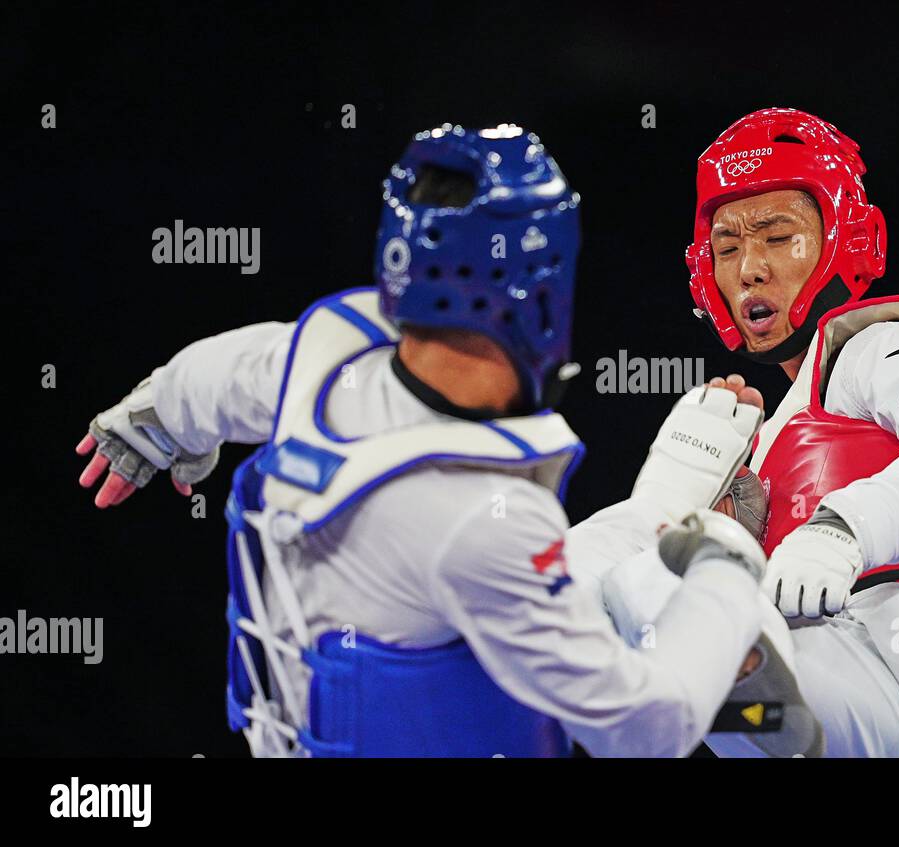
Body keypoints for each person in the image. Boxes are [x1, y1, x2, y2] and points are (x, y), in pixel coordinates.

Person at [73, 122, 791, 758]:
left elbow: (204, 380)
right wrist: (728, 566)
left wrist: (144, 426)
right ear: (540, 289)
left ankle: (664, 509)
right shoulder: (477, 520)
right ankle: (692, 534)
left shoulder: (324, 356)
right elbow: (645, 727)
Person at [600, 108, 899, 757]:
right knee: (643, 591)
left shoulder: (877, 346)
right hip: (846, 690)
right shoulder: (774, 439)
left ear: (843, 240)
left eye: (778, 237)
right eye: (728, 247)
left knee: (645, 586)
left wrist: (847, 527)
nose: (749, 267)